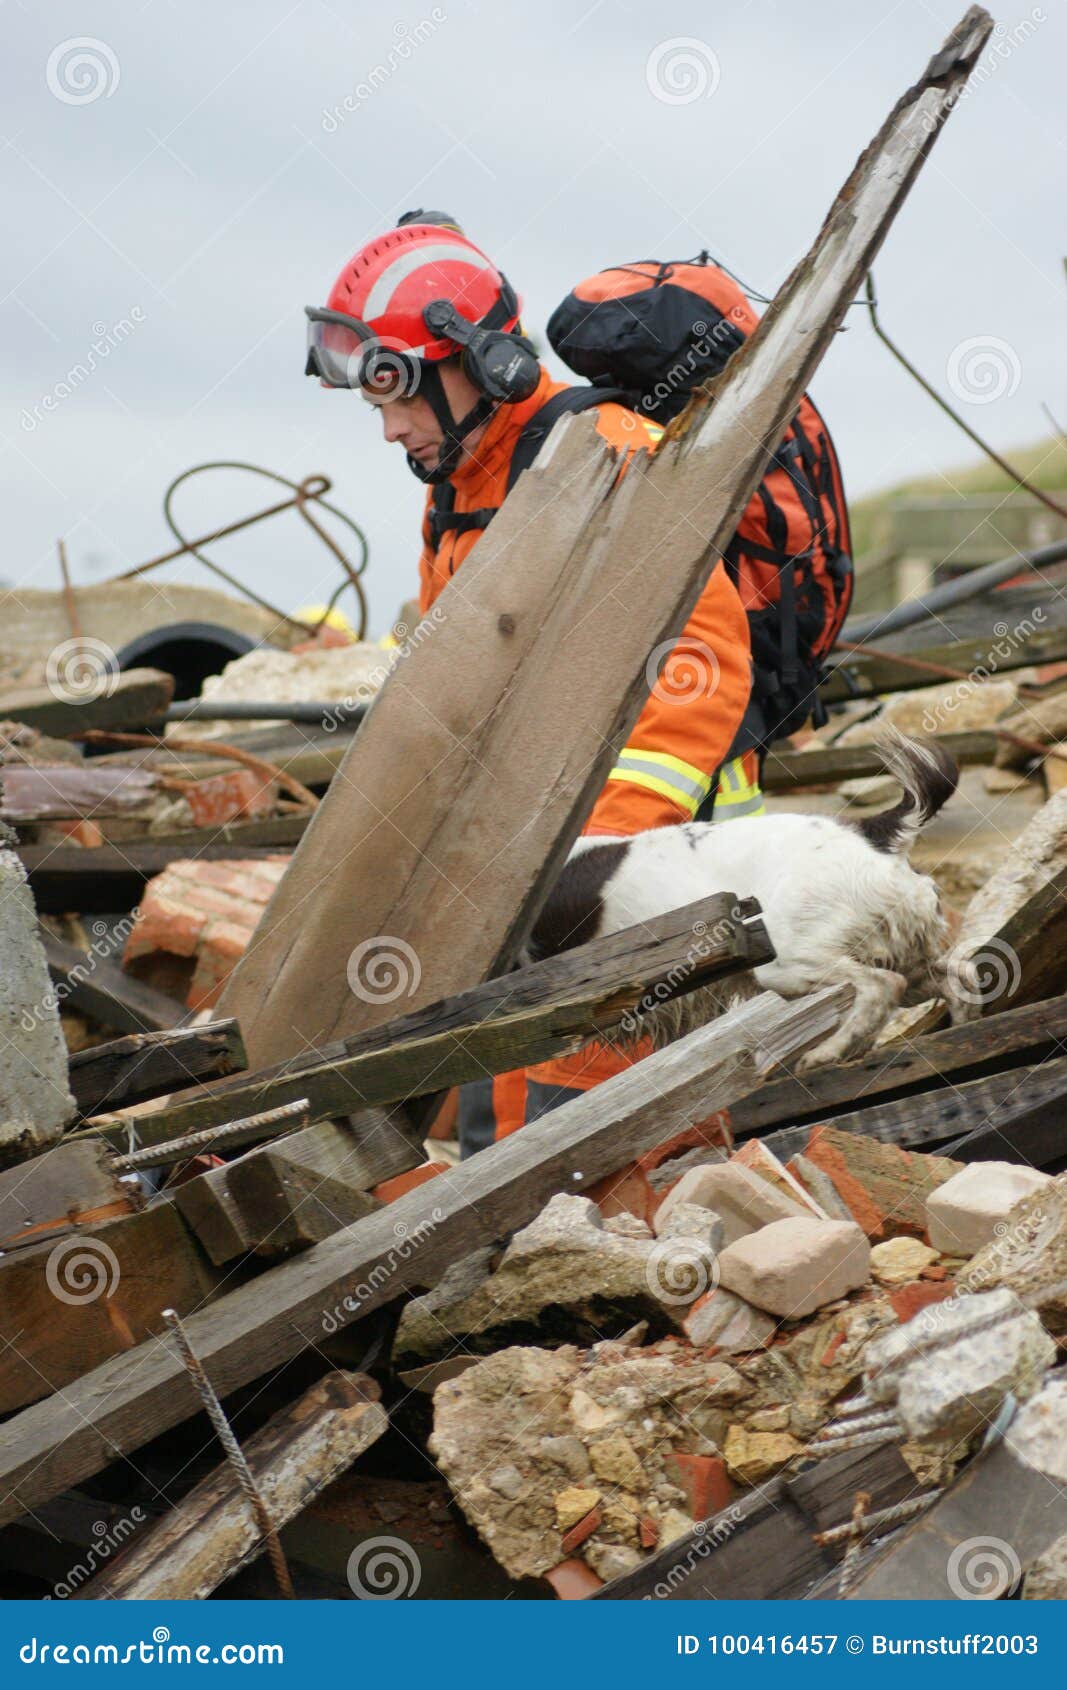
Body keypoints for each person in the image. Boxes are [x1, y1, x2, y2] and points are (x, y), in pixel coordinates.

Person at [306, 212, 762, 1152]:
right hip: (519, 879)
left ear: (482, 360)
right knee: (499, 1134)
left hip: (648, 877)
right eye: (374, 404)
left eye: (399, 394)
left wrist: (590, 860)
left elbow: (698, 669)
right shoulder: (457, 492)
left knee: (604, 1143)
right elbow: (446, 683)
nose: (389, 428)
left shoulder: (608, 456)